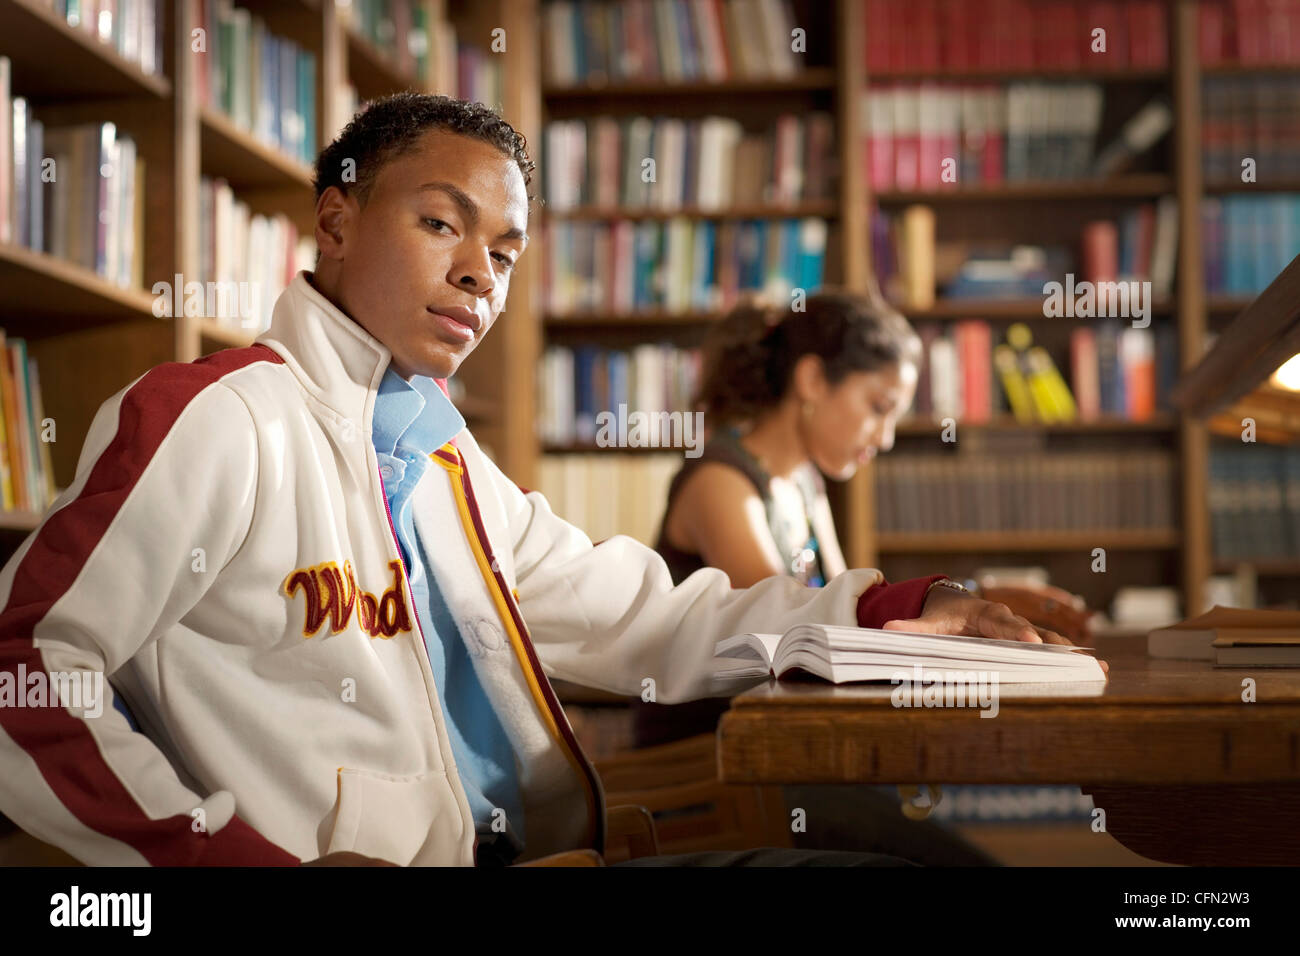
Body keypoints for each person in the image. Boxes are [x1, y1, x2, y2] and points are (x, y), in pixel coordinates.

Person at [0, 94, 1094, 868]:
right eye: (441, 223)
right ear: (334, 219)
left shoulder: (443, 456)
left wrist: (901, 607)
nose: (481, 271)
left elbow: (652, 617)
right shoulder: (215, 416)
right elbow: (25, 671)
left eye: (508, 251)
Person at [634, 293, 995, 864]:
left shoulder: (805, 485)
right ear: (811, 380)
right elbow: (791, 640)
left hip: (790, 759)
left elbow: (843, 612)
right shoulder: (721, 483)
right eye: (878, 406)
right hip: (711, 776)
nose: (886, 436)